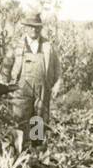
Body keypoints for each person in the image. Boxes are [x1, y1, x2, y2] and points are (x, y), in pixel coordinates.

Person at [9, 12, 62, 153]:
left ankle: (36, 152)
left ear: (41, 28)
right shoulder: (17, 45)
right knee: (20, 119)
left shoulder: (47, 46)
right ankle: (19, 152)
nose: (34, 30)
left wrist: (57, 83)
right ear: (26, 28)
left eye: (37, 27)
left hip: (42, 89)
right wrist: (6, 85)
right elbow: (6, 65)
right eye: (31, 27)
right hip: (20, 89)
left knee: (38, 120)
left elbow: (57, 67)